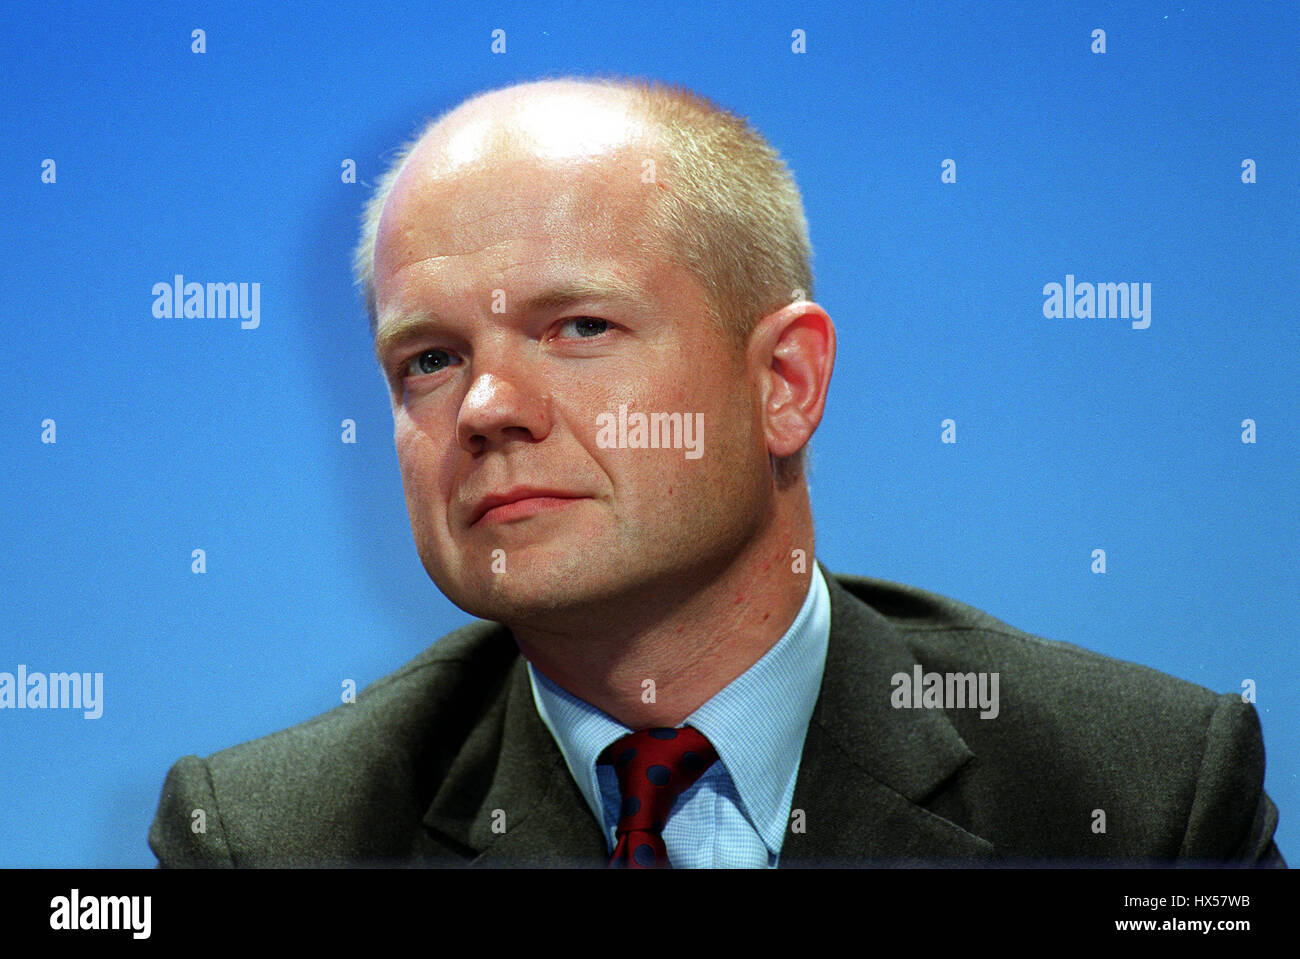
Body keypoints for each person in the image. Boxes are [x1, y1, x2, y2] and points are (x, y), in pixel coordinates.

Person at [149, 75, 1284, 868]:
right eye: (431, 358)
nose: (487, 408)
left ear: (783, 382)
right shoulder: (270, 835)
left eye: (577, 327)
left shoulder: (1134, 794)